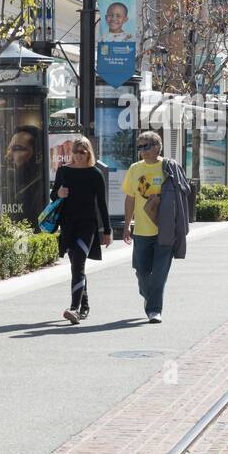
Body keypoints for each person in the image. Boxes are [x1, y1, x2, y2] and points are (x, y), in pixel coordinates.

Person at [122, 130, 188, 324]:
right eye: (140, 147)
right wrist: (127, 225)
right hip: (142, 230)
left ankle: (154, 309)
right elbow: (130, 198)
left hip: (164, 231)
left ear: (158, 147)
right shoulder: (134, 169)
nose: (142, 150)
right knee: (141, 271)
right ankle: (148, 296)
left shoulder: (168, 167)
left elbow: (183, 194)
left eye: (146, 146)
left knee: (159, 273)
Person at [50, 136, 111, 325]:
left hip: (88, 225)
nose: (78, 155)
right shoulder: (64, 171)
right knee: (77, 267)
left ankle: (74, 308)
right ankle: (84, 307)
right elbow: (54, 195)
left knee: (78, 265)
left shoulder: (95, 174)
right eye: (75, 151)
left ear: (88, 153)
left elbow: (102, 203)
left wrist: (107, 231)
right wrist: (58, 193)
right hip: (68, 225)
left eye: (82, 152)